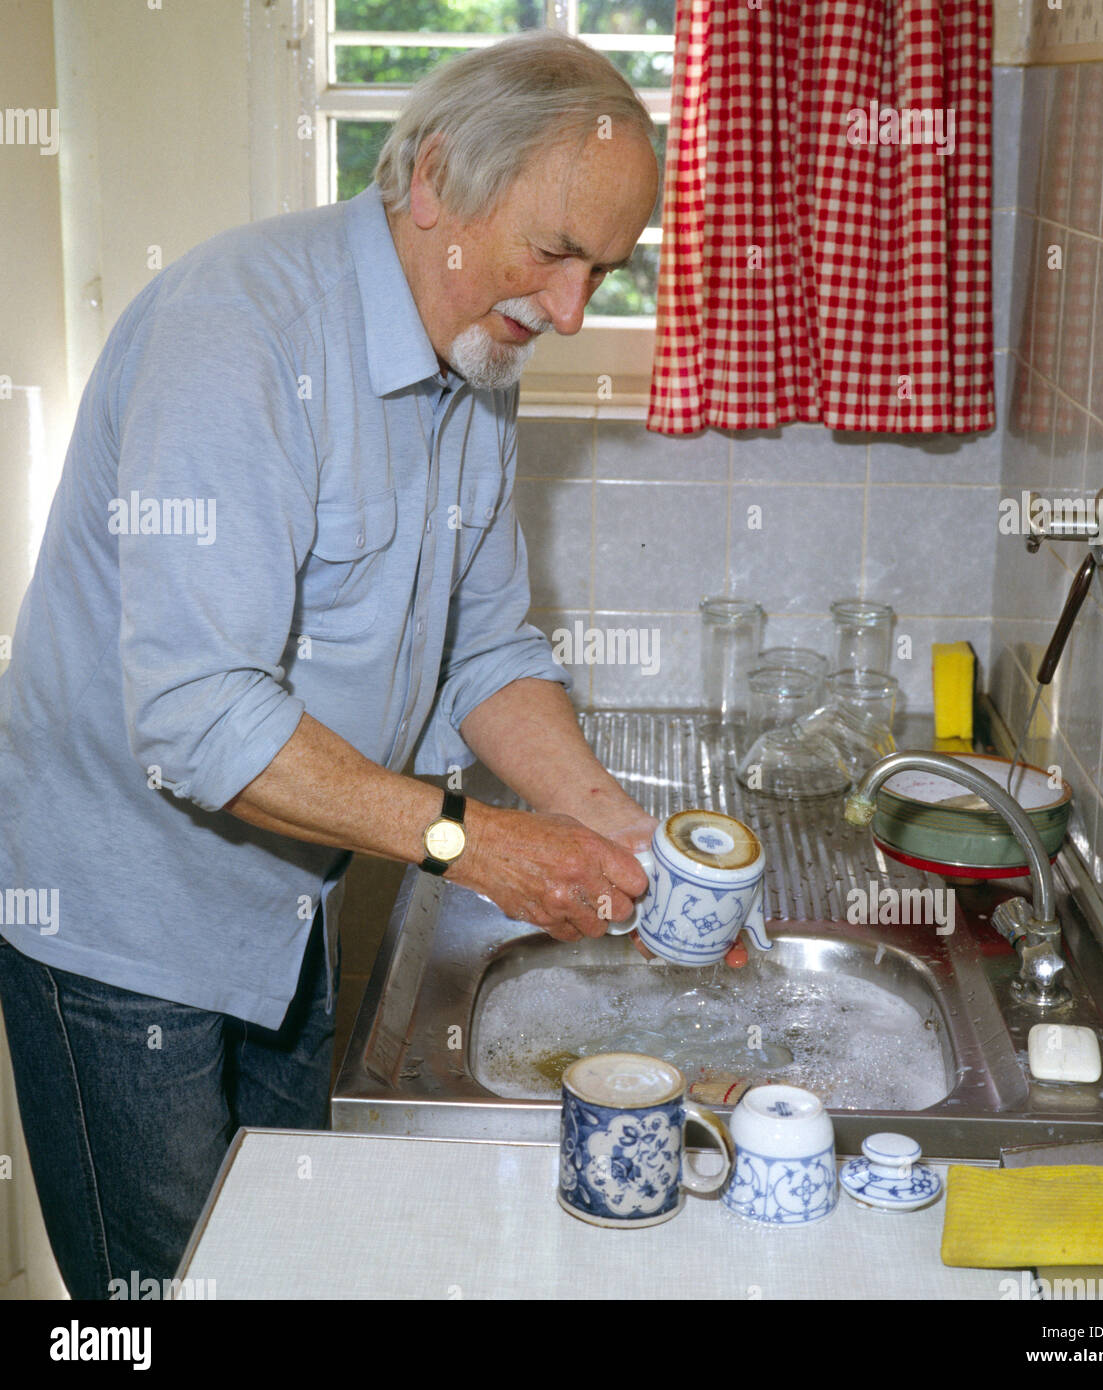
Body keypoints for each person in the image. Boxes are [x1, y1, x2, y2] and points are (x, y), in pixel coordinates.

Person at [0, 32, 712, 1300]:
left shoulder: (475, 362)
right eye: (554, 252)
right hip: (123, 935)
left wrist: (605, 822)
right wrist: (477, 844)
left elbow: (483, 648)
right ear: (432, 177)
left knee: (283, 1273)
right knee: (154, 1301)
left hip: (294, 911)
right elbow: (198, 719)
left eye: (603, 271)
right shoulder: (240, 335)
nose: (567, 311)